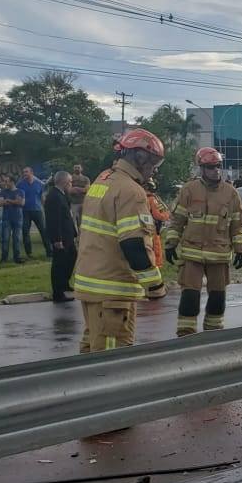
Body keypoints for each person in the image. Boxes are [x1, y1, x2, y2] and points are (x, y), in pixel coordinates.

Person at [74, 128, 167, 352]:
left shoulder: (102, 180)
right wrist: (155, 286)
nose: (153, 170)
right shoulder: (131, 191)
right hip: (113, 292)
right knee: (112, 363)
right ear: (140, 157)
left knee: (92, 352)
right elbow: (133, 245)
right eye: (153, 163)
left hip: (91, 284)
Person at [163, 146, 242, 336]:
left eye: (218, 166)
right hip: (192, 253)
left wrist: (241, 249)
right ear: (201, 168)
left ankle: (213, 333)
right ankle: (186, 333)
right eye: (211, 167)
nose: (216, 170)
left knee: (217, 297)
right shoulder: (189, 190)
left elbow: (237, 224)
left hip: (219, 253)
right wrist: (171, 244)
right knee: (190, 295)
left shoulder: (230, 193)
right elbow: (177, 220)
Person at [44, 171, 78, 303]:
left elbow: (67, 216)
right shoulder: (54, 197)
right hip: (61, 237)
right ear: (63, 182)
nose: (71, 184)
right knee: (59, 264)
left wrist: (74, 233)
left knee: (71, 257)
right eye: (70, 182)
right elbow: (54, 220)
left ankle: (64, 284)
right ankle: (58, 293)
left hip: (68, 235)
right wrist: (57, 239)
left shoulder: (62, 195)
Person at [17, 167, 52, 258]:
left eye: (26, 172)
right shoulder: (20, 184)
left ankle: (49, 251)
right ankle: (29, 253)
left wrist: (45, 208)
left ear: (32, 172)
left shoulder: (39, 183)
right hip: (25, 211)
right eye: (23, 172)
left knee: (44, 231)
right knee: (25, 232)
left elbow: (42, 197)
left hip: (37, 210)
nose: (24, 174)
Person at [0, 174, 26, 264]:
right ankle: (4, 258)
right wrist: (14, 201)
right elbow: (0, 202)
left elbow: (21, 203)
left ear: (12, 182)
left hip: (18, 218)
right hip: (6, 218)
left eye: (7, 181)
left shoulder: (20, 191)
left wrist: (8, 200)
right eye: (5, 181)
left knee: (17, 239)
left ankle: (17, 257)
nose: (5, 183)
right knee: (5, 239)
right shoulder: (3, 191)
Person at [146, 179, 171, 267]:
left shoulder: (138, 197)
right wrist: (167, 214)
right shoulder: (152, 199)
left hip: (141, 229)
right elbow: (158, 216)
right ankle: (156, 268)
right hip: (152, 229)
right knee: (156, 250)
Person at [69, 164, 90, 228]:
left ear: (81, 169)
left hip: (83, 202)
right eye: (75, 167)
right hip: (73, 203)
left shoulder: (86, 179)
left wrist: (76, 188)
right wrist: (81, 189)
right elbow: (70, 190)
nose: (77, 169)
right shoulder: (70, 178)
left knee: (82, 220)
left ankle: (81, 235)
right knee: (73, 220)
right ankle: (74, 234)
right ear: (73, 169)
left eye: (78, 167)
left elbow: (87, 190)